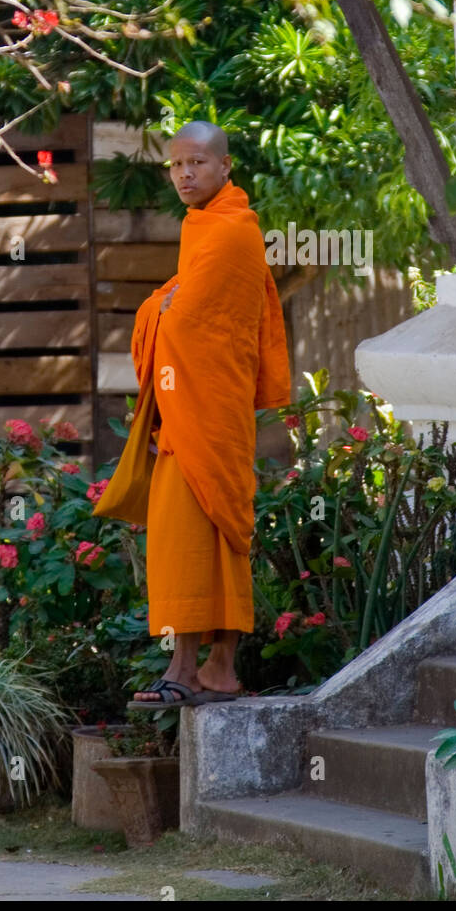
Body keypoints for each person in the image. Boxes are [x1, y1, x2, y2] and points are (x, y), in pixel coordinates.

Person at [128, 121, 290, 707]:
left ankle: (204, 667)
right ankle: (204, 668)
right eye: (175, 166)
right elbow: (173, 311)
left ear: (225, 167)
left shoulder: (232, 232)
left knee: (210, 536)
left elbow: (188, 322)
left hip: (211, 415)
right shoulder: (201, 227)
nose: (185, 174)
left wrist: (157, 309)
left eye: (197, 163)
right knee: (184, 540)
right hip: (190, 414)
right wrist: (159, 307)